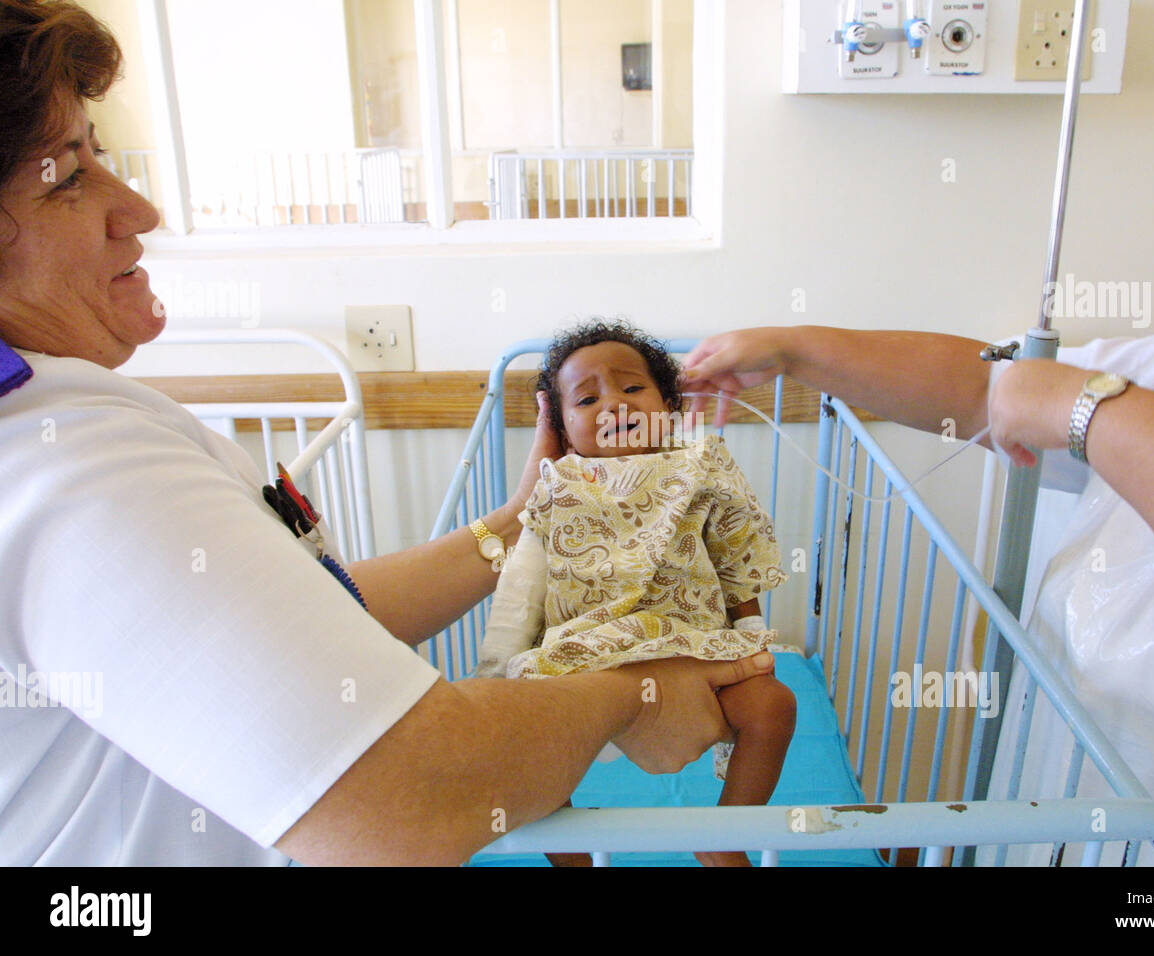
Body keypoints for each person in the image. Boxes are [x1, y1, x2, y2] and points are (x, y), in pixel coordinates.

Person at [0, 0, 775, 866]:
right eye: (66, 175)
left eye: (99, 156)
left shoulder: (65, 424)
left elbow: (317, 610)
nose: (136, 207)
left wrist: (520, 517)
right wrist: (629, 694)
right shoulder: (68, 463)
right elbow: (414, 794)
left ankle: (726, 848)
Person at [681, 162, 1154, 864]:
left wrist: (1088, 408)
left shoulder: (1125, 408)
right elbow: (986, 393)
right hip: (1057, 806)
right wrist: (794, 348)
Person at [475, 321, 796, 866]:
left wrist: (751, 639)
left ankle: (725, 835)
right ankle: (573, 856)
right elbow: (520, 587)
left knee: (774, 707)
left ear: (667, 402)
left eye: (631, 388)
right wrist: (497, 669)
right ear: (560, 425)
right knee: (526, 741)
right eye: (586, 398)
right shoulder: (556, 484)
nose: (613, 406)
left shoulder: (701, 465)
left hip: (695, 650)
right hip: (587, 657)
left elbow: (736, 557)